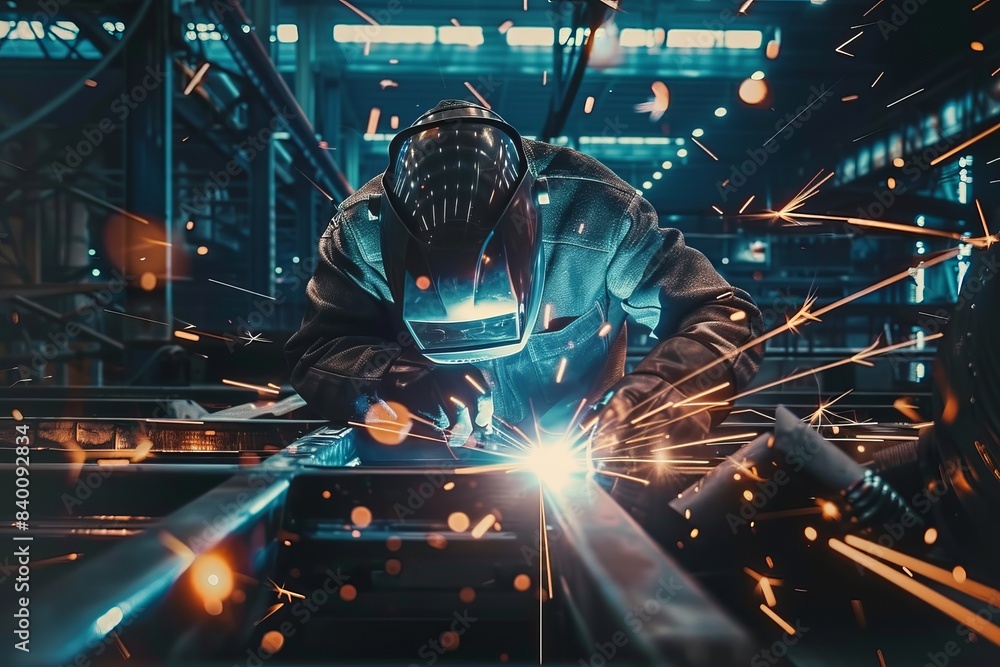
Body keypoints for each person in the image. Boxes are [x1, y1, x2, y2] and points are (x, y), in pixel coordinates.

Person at [286, 99, 763, 457]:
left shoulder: (597, 213)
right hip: (432, 463)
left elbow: (724, 315)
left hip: (588, 456)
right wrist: (398, 378)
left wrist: (662, 393)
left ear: (529, 231)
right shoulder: (360, 235)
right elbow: (317, 353)